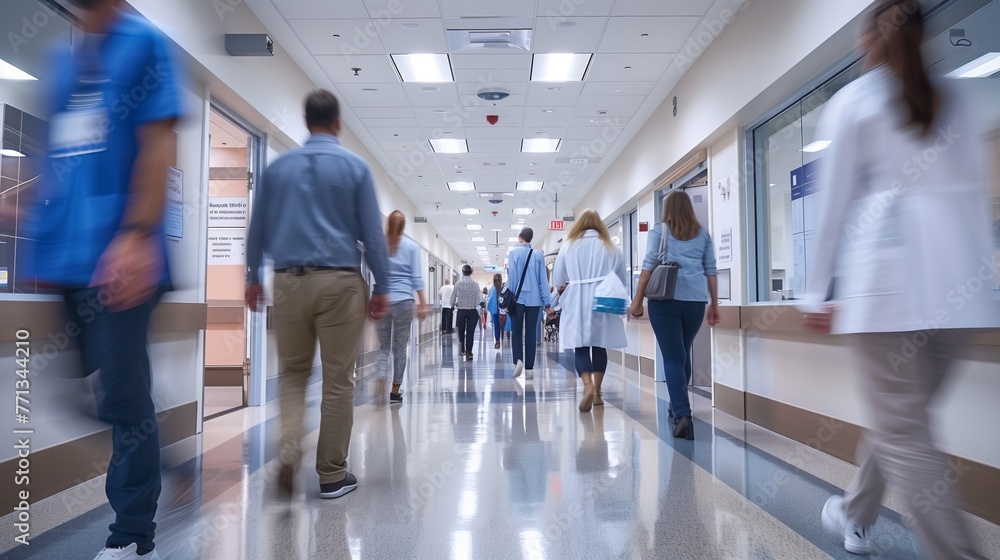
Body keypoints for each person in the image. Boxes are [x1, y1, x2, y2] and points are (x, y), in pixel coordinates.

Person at [801, 2, 997, 558]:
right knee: (902, 421)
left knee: (903, 430)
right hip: (960, 294)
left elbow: (833, 207)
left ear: (868, 40)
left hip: (886, 293)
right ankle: (855, 512)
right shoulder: (958, 99)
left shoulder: (855, 102)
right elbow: (977, 199)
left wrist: (816, 292)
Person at [22, 1, 184, 557]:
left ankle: (133, 535)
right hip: (67, 259)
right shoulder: (61, 61)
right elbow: (57, 161)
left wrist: (137, 234)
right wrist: (32, 215)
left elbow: (159, 144)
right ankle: (157, 450)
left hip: (124, 260)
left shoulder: (145, 43)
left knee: (121, 394)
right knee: (70, 392)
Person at [245, 90, 390, 502]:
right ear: (338, 123)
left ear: (306, 122)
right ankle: (331, 475)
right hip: (340, 283)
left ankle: (289, 452)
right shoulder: (355, 167)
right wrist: (381, 285)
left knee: (293, 374)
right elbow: (372, 235)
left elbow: (257, 228)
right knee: (339, 380)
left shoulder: (279, 168)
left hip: (288, 281)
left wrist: (253, 276)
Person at [629, 191, 719, 440]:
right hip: (695, 303)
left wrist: (637, 301)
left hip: (665, 301)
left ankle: (682, 414)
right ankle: (676, 405)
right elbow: (711, 270)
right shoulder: (703, 235)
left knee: (672, 357)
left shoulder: (659, 231)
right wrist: (714, 304)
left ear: (666, 209)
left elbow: (648, 267)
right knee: (682, 353)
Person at [552, 209, 628, 412]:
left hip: (577, 299)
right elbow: (622, 278)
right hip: (603, 298)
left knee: (581, 346)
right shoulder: (611, 246)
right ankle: (597, 393)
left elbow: (558, 279)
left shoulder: (568, 245)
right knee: (600, 345)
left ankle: (587, 385)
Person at [378, 210, 430, 405]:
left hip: (383, 301)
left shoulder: (379, 245)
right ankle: (394, 391)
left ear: (388, 224)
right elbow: (416, 277)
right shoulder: (411, 247)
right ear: (403, 227)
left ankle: (380, 380)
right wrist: (422, 303)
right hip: (404, 303)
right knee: (400, 348)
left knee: (383, 347)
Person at [507, 228, 555, 379]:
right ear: (531, 238)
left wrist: (509, 298)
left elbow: (512, 279)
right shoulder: (538, 254)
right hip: (535, 300)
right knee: (531, 333)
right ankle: (529, 369)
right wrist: (547, 303)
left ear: (520, 237)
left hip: (518, 299)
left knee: (516, 331)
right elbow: (543, 281)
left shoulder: (513, 253)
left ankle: (518, 361)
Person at [451, 265, 481, 360]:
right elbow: (479, 298)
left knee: (461, 331)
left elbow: (453, 296)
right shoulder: (475, 284)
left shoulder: (458, 284)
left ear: (463, 272)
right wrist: (473, 304)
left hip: (461, 310)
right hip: (472, 311)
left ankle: (462, 349)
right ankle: (469, 352)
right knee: (470, 332)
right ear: (471, 272)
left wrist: (452, 305)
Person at [486, 274, 506, 349]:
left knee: (496, 325)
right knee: (504, 324)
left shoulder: (491, 289)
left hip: (495, 310)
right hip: (503, 309)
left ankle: (497, 342)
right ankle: (504, 337)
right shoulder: (504, 288)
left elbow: (488, 298)